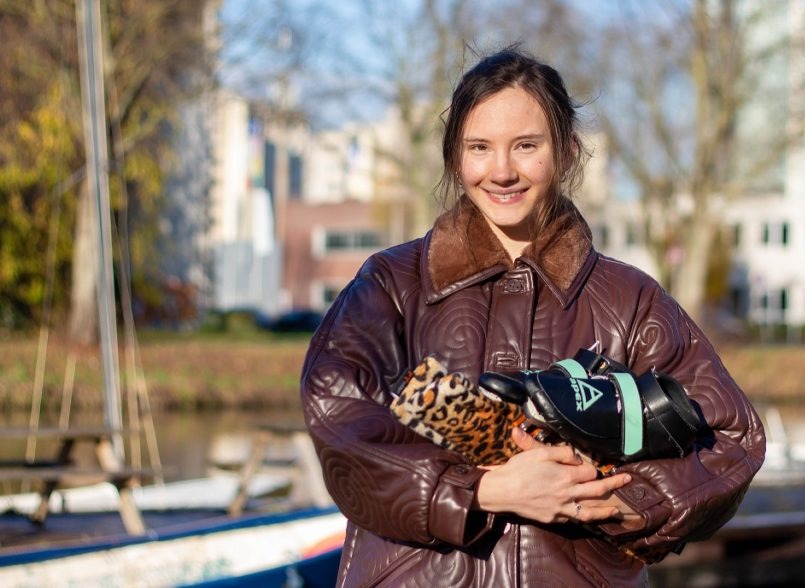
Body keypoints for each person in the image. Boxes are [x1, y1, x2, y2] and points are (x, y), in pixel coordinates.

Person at [301, 46, 765, 586]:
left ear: (565, 151)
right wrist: (483, 491)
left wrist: (620, 501)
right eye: (479, 147)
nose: (501, 171)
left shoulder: (630, 299)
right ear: (455, 157)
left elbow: (732, 438)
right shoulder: (391, 284)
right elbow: (338, 412)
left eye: (525, 146)